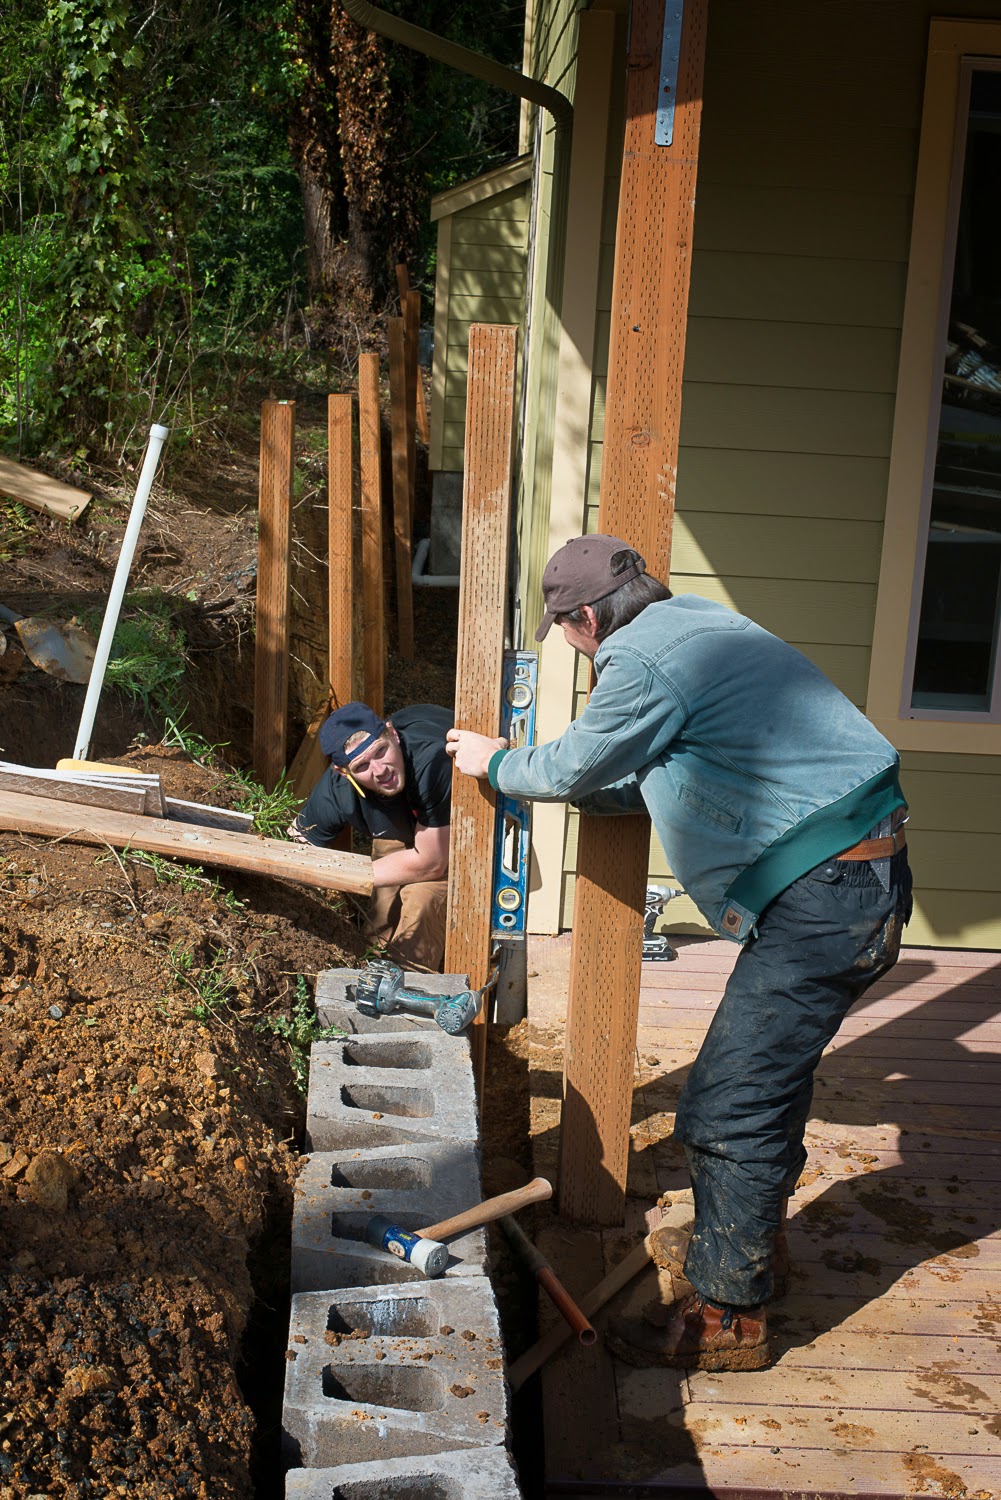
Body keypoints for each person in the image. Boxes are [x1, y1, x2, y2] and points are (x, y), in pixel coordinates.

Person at [446, 533, 912, 1371]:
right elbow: (681, 758)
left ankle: (728, 1320)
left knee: (724, 1108)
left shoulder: (639, 661)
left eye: (563, 628)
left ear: (585, 617)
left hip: (825, 899)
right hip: (853, 881)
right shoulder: (700, 622)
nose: (567, 644)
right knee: (765, 1086)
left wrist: (495, 761)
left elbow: (564, 767)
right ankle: (750, 1257)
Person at [289, 701, 453, 971]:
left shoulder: (431, 762)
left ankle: (409, 987)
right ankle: (369, 967)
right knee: (379, 919)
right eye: (362, 766)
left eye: (381, 751)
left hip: (448, 822)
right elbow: (298, 841)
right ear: (343, 772)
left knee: (423, 899)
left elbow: (431, 863)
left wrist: (346, 874)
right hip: (401, 823)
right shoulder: (338, 789)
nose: (380, 770)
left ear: (392, 734)